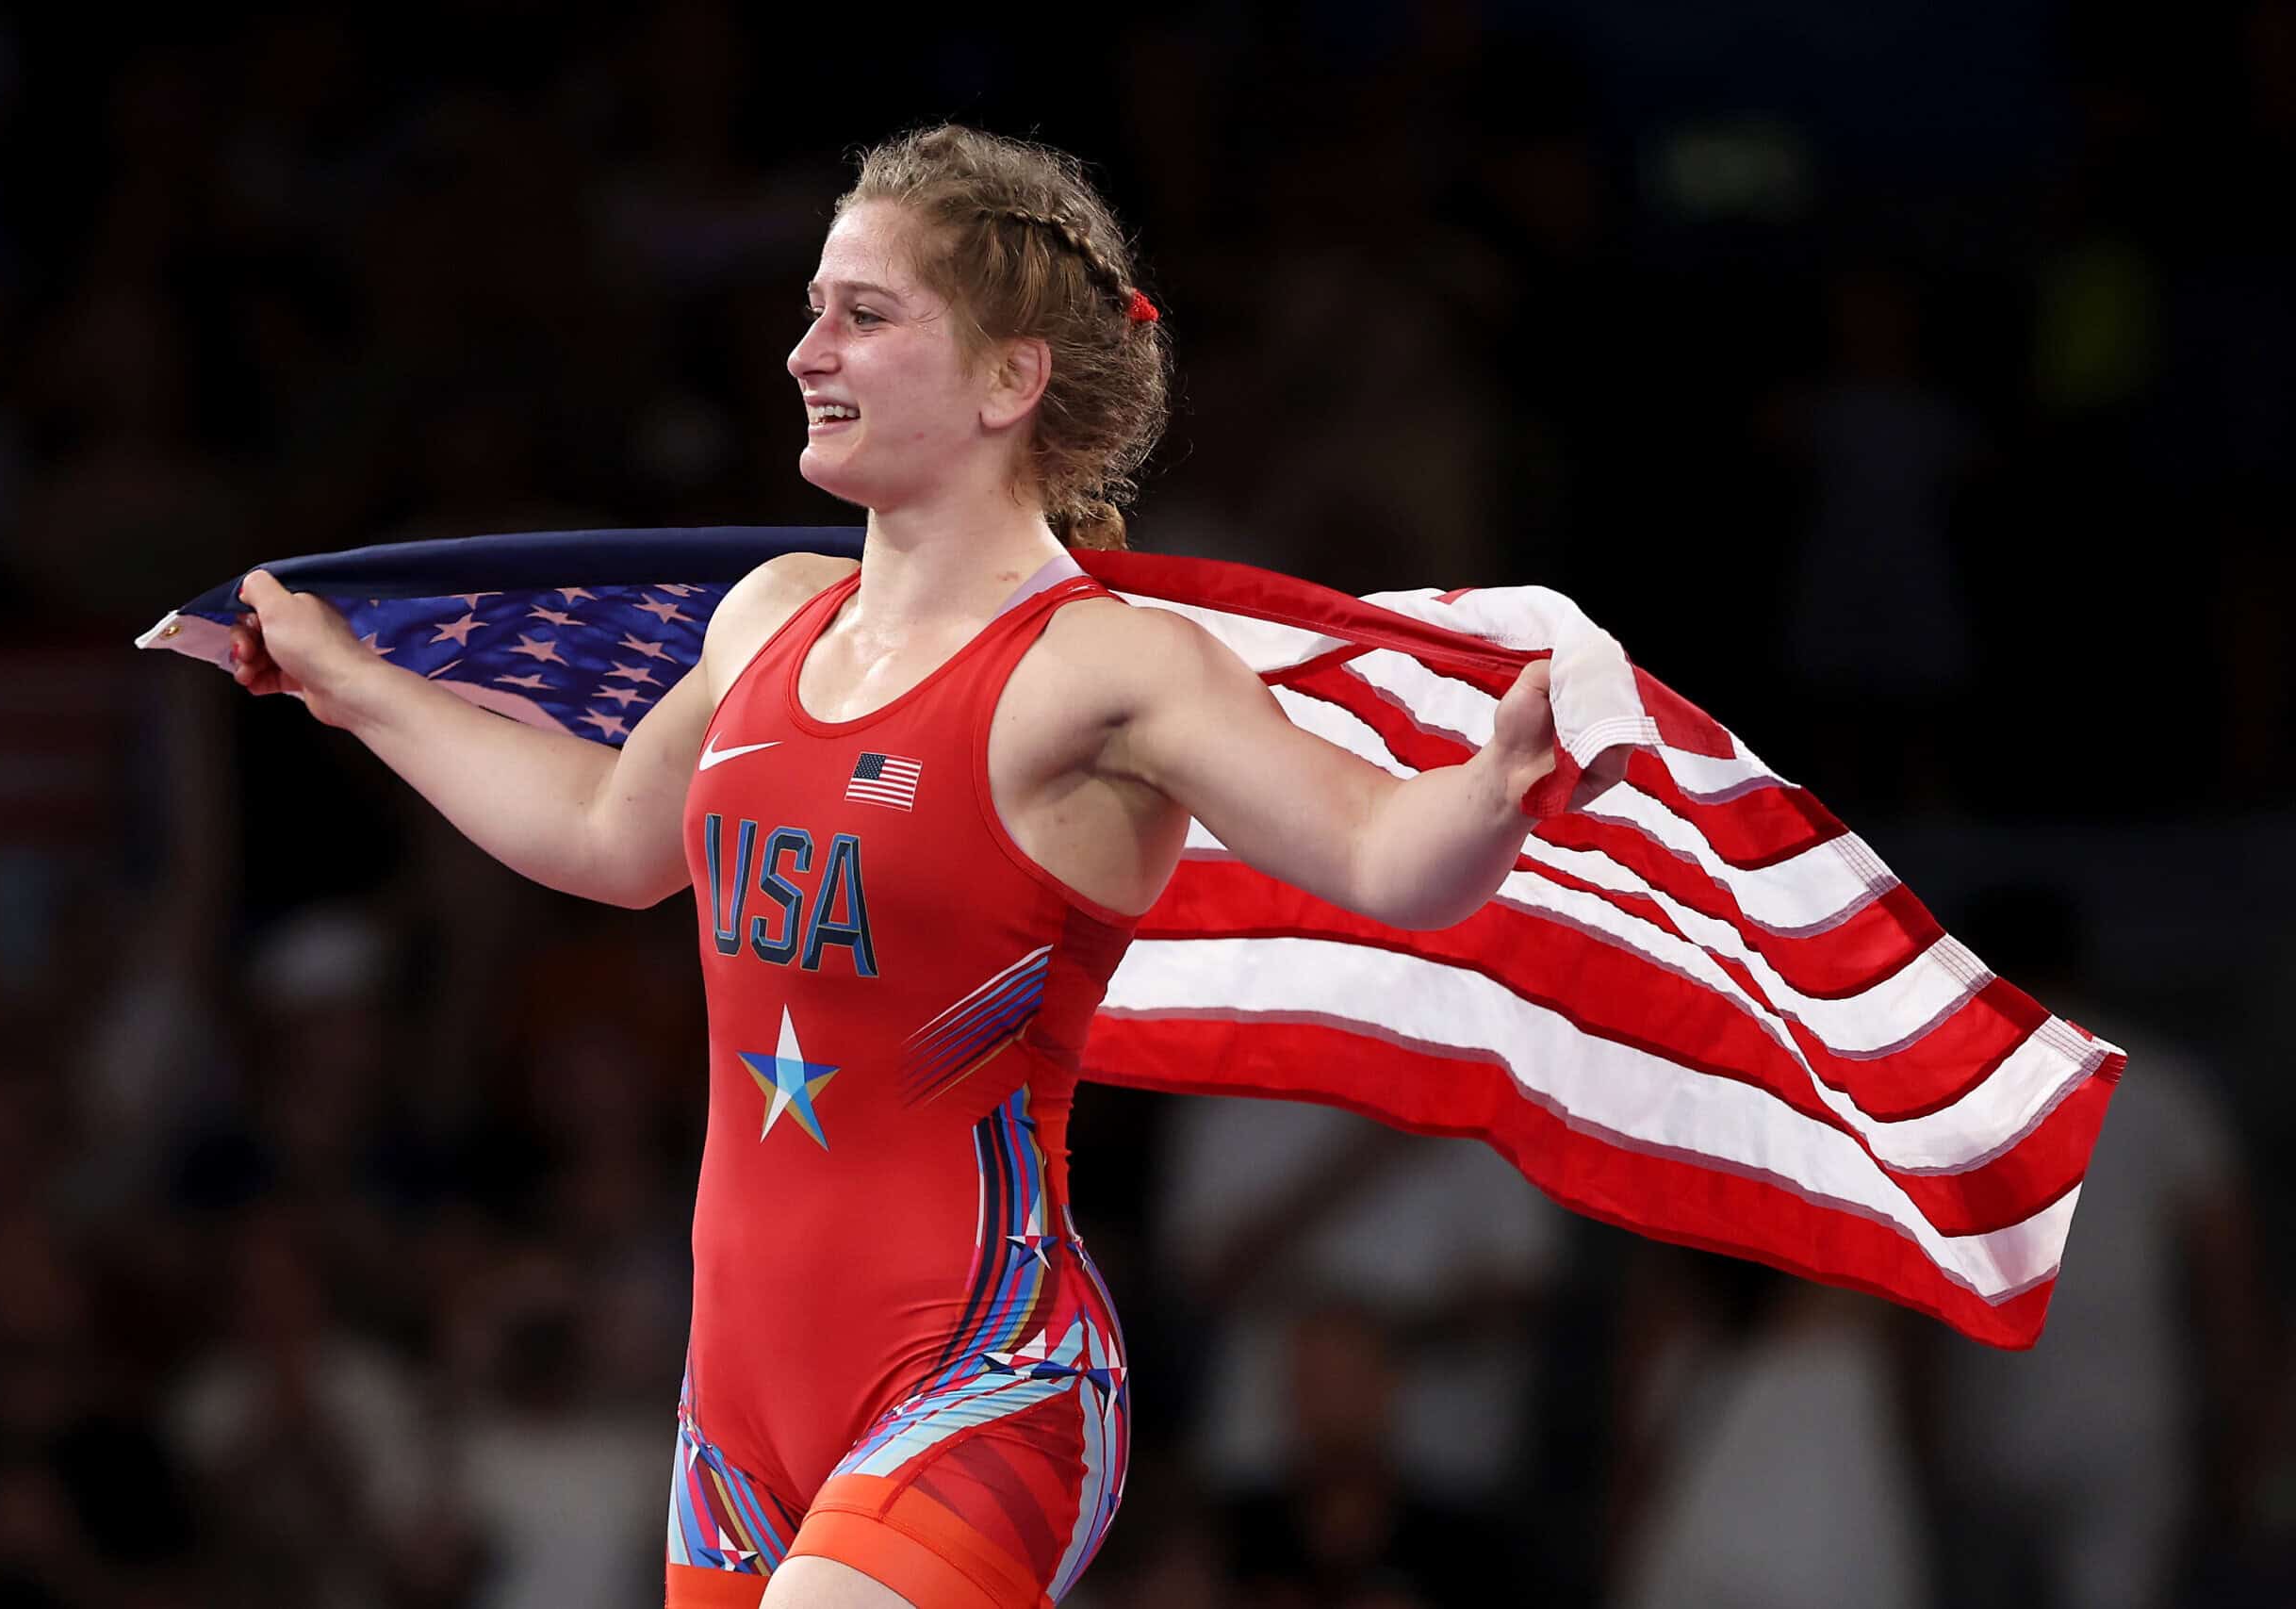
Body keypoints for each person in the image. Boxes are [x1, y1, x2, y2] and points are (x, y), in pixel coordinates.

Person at [224, 123, 1616, 1609]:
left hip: (987, 1375)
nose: (805, 352)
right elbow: (605, 840)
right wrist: (354, 685)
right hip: (736, 1419)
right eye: (813, 308)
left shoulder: (1105, 667)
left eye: (865, 315)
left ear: (1011, 379)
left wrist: (1496, 787)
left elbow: (1382, 852)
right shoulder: (767, 617)